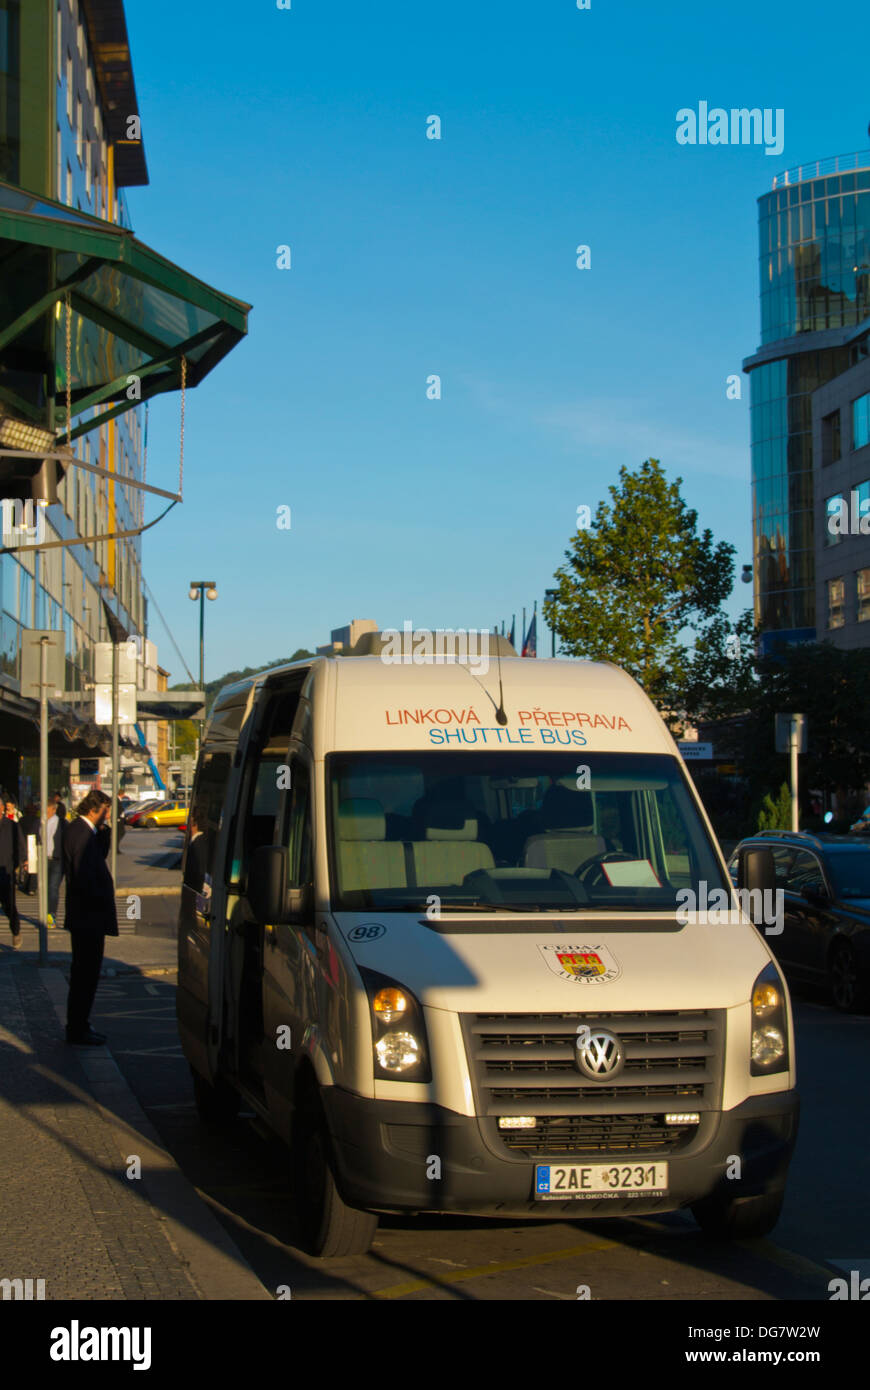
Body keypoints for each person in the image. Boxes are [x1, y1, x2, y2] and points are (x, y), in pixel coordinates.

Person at [63, 789, 117, 1045]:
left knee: (85, 974)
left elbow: (100, 857)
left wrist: (104, 831)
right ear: (94, 809)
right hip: (88, 917)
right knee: (85, 974)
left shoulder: (84, 831)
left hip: (87, 916)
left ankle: (80, 1024)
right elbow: (84, 875)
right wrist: (99, 900)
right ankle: (77, 1027)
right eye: (105, 810)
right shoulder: (80, 834)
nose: (107, 814)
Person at [0, 801, 25, 949]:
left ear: (2, 809)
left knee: (9, 906)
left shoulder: (12, 826)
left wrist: (21, 862)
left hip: (7, 872)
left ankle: (15, 930)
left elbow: (20, 846)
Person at [46, 795, 67, 927]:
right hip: (43, 860)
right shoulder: (40, 822)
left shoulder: (62, 823)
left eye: (47, 810)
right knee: (45, 889)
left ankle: (51, 916)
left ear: (53, 810)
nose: (44, 812)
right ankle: (46, 913)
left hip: (57, 860)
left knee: (53, 888)